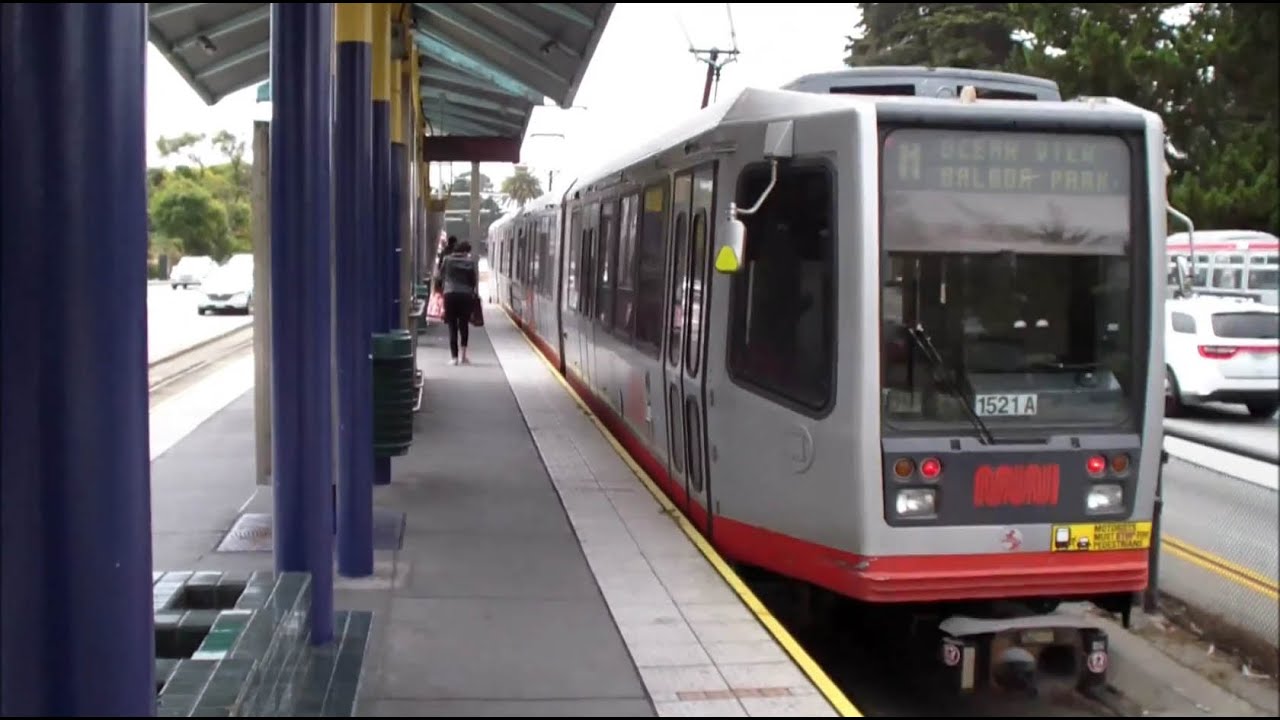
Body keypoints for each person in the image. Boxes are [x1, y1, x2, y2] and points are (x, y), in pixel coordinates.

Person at [439, 240, 479, 365]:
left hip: (450, 295)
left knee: (452, 326)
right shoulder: (470, 262)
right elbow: (473, 281)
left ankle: (454, 358)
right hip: (465, 296)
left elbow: (441, 276)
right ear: (466, 251)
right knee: (464, 325)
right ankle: (464, 356)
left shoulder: (447, 260)